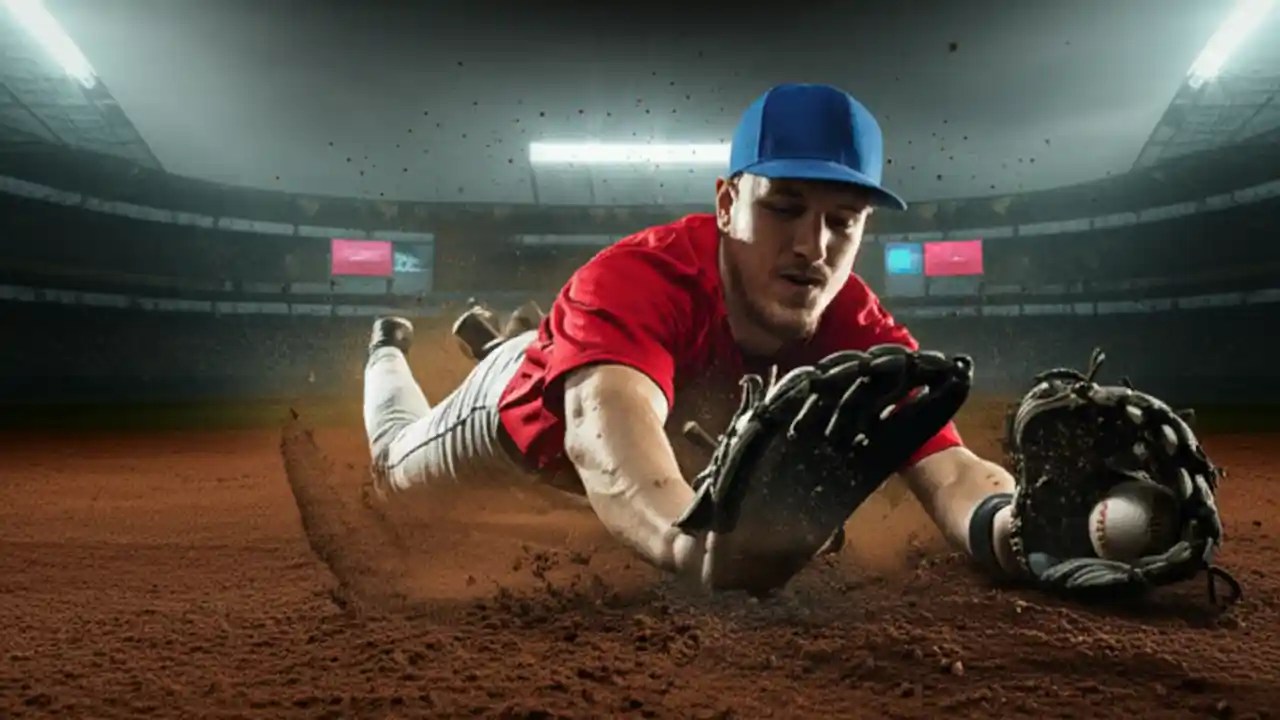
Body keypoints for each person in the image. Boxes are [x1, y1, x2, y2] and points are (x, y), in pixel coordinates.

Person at [362, 83, 1020, 592]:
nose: (812, 246)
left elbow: (953, 471)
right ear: (728, 204)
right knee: (393, 463)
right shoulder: (641, 277)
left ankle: (516, 333)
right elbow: (602, 427)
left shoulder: (856, 324)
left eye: (842, 221)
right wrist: (694, 544)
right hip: (514, 426)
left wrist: (1009, 525)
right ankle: (389, 346)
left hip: (611, 382)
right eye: (784, 207)